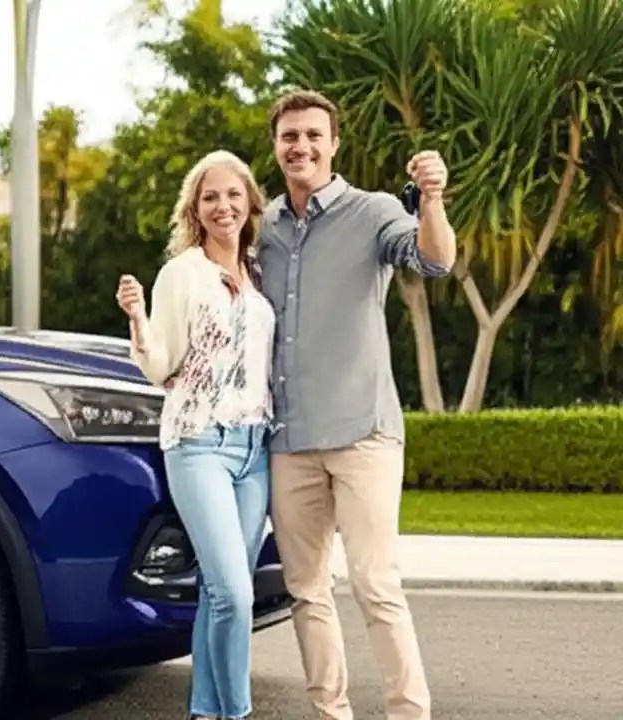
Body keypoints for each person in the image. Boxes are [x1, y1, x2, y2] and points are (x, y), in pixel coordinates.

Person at [256, 89, 456, 720]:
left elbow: (434, 258)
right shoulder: (263, 228)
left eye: (314, 135)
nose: (302, 146)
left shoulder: (371, 213)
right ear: (276, 146)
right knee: (306, 593)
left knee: (375, 586)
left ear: (334, 144)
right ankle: (330, 712)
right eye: (290, 136)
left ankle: (408, 713)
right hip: (288, 440)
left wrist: (432, 199)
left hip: (362, 434)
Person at [116, 149, 276, 720]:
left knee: (217, 590)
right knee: (236, 592)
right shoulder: (181, 273)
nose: (223, 206)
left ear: (249, 202)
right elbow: (160, 365)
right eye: (210, 196)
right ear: (195, 208)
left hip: (255, 449)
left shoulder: (258, 271)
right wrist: (137, 319)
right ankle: (237, 713)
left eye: (233, 194)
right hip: (198, 441)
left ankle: (206, 712)